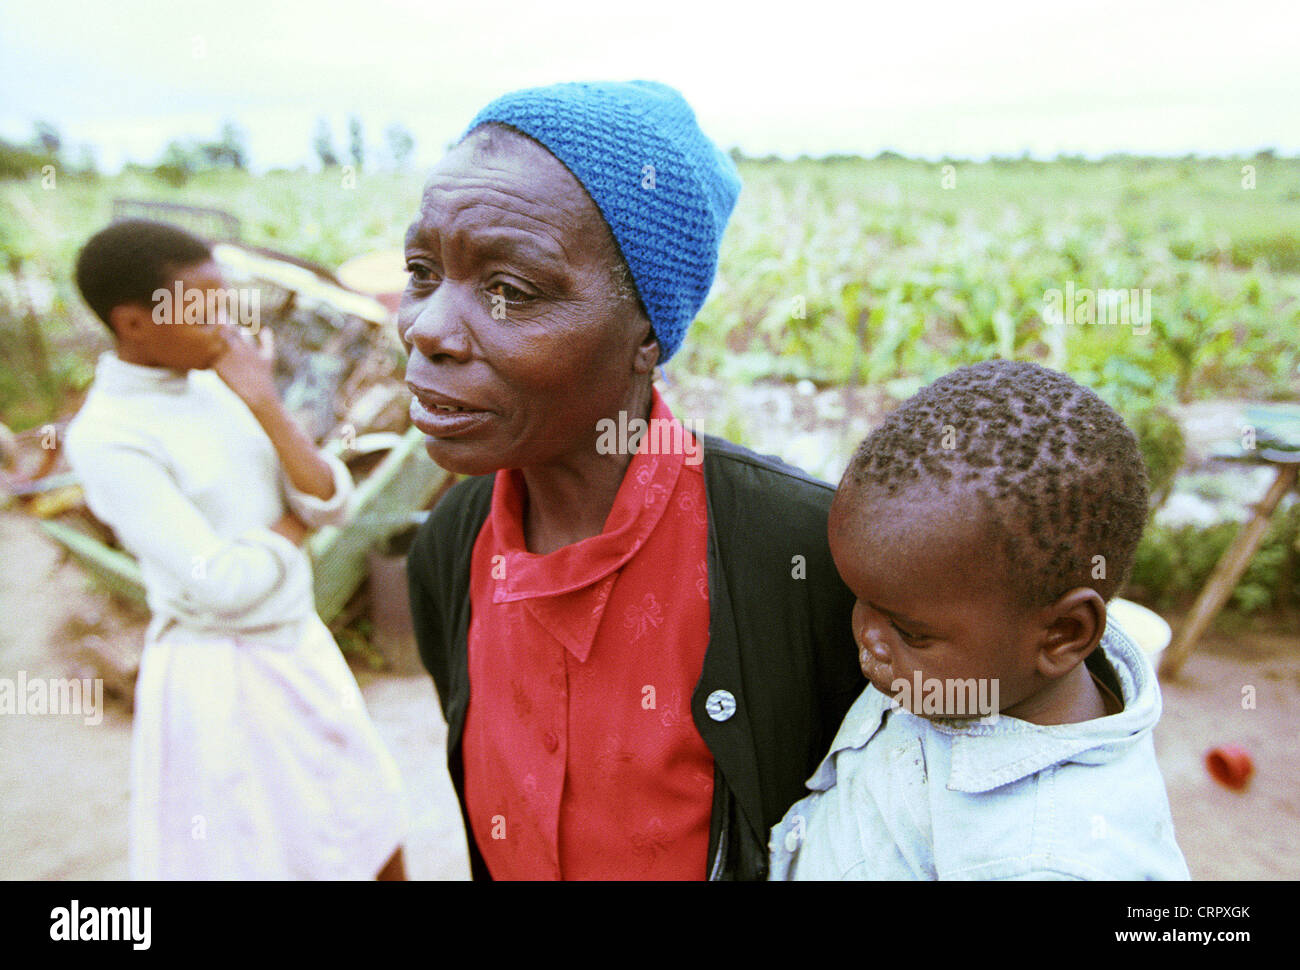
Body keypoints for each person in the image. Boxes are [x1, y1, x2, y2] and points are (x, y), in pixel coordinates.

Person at [403, 80, 865, 880]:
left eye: (509, 291)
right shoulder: (450, 549)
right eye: (422, 271)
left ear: (648, 330)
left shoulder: (807, 560)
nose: (428, 327)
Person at [64, 219, 409, 880]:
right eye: (202, 308)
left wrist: (265, 403)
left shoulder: (223, 379)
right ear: (133, 323)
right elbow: (219, 582)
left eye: (225, 300)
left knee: (373, 830)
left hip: (301, 650)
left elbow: (331, 499)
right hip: (224, 681)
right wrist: (294, 528)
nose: (224, 323)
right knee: (271, 857)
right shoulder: (108, 436)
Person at [768, 360, 1190, 880]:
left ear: (1064, 635)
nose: (867, 638)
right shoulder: (976, 668)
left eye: (909, 631)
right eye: (859, 599)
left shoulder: (1046, 859)